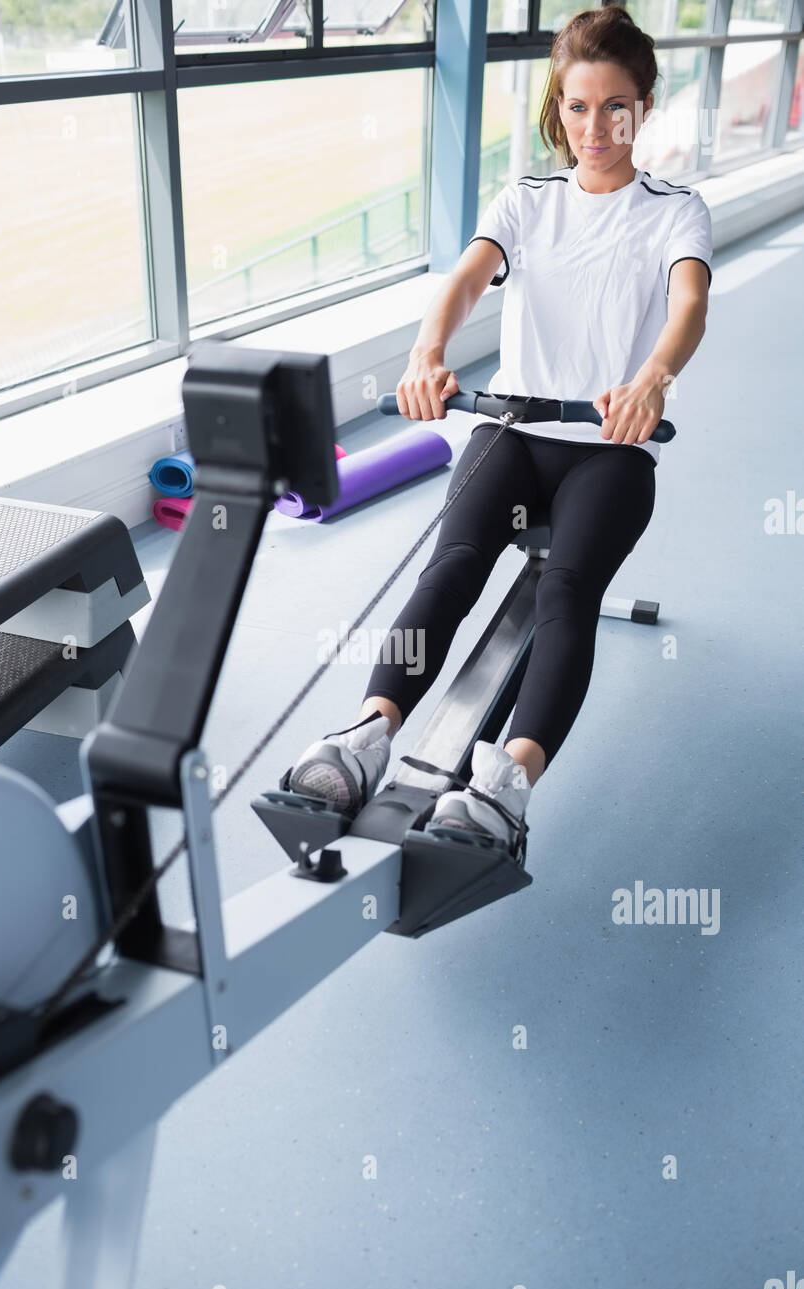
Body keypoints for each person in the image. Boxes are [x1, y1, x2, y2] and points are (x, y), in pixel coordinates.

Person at [285, 4, 712, 855]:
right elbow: (467, 278)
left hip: (611, 451)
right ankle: (365, 734)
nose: (596, 127)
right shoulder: (527, 198)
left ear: (645, 106)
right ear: (559, 106)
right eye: (579, 106)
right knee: (452, 566)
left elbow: (688, 303)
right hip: (512, 433)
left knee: (566, 594)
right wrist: (426, 352)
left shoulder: (675, 211)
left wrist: (652, 380)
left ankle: (505, 784)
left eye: (616, 106)